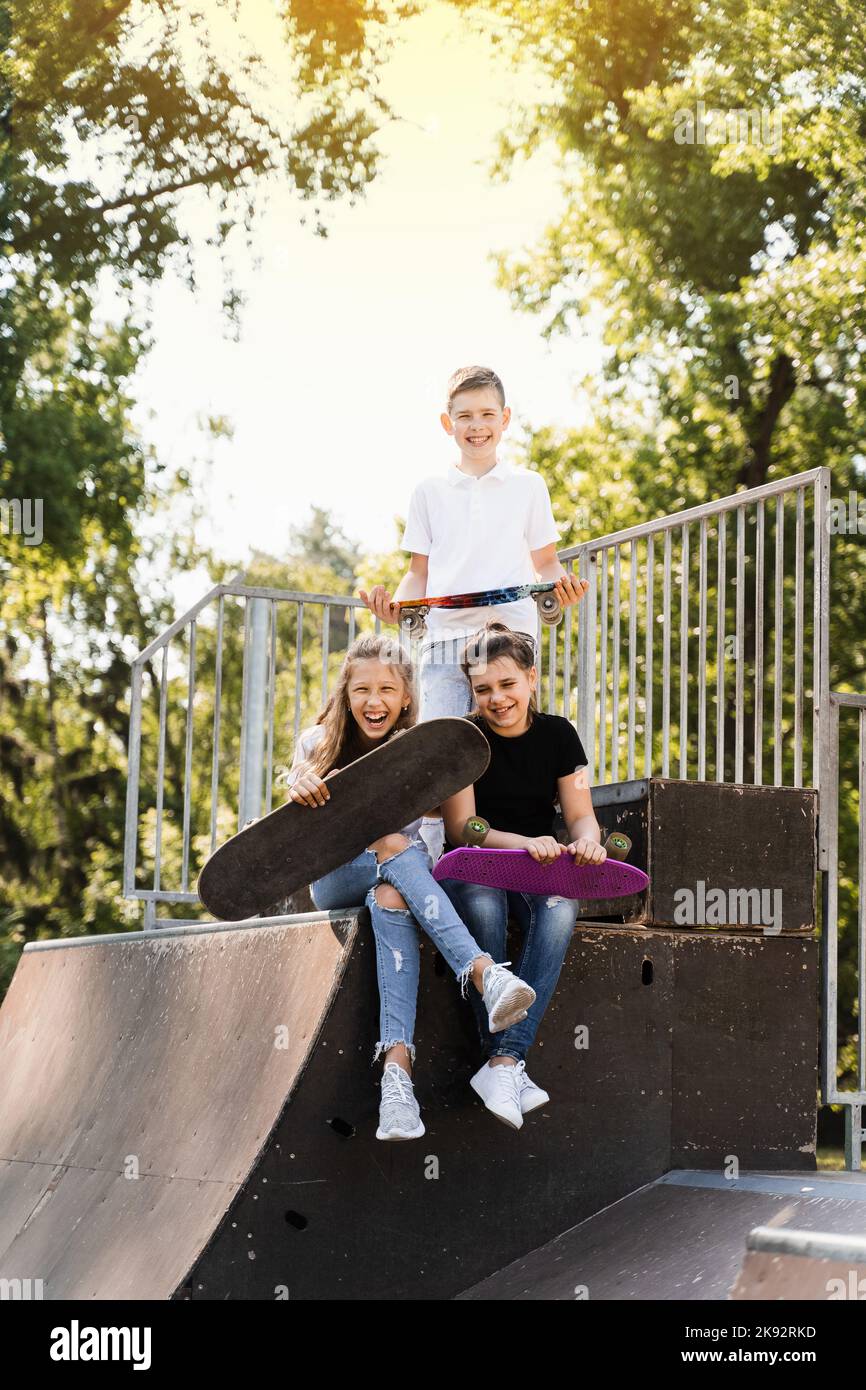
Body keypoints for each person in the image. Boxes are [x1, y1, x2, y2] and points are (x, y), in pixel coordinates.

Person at [284, 633, 536, 1142]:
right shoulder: (316, 744)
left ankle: (397, 1082)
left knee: (391, 896)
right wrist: (299, 788)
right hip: (335, 878)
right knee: (393, 843)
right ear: (345, 694)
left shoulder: (417, 747)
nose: (372, 702)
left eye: (385, 690)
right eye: (361, 691)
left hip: (398, 881)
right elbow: (292, 835)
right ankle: (484, 972)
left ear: (404, 698)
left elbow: (454, 819)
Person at [359, 364, 589, 860]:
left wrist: (560, 592)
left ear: (505, 419)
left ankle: (503, 863)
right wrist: (396, 606)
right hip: (443, 641)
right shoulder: (429, 491)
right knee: (438, 760)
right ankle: (431, 868)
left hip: (508, 640)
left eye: (487, 414)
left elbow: (546, 563)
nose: (476, 425)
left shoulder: (529, 485)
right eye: (465, 416)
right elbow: (417, 575)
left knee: (505, 755)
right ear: (448, 423)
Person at [439, 622, 606, 1131]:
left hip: (539, 868)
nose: (497, 698)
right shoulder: (463, 741)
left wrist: (589, 841)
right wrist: (523, 843)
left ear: (531, 679)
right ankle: (508, 1062)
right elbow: (462, 827)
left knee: (562, 907)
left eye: (507, 685)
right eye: (484, 689)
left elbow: (579, 813)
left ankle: (502, 1063)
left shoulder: (560, 735)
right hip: (475, 863)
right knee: (485, 908)